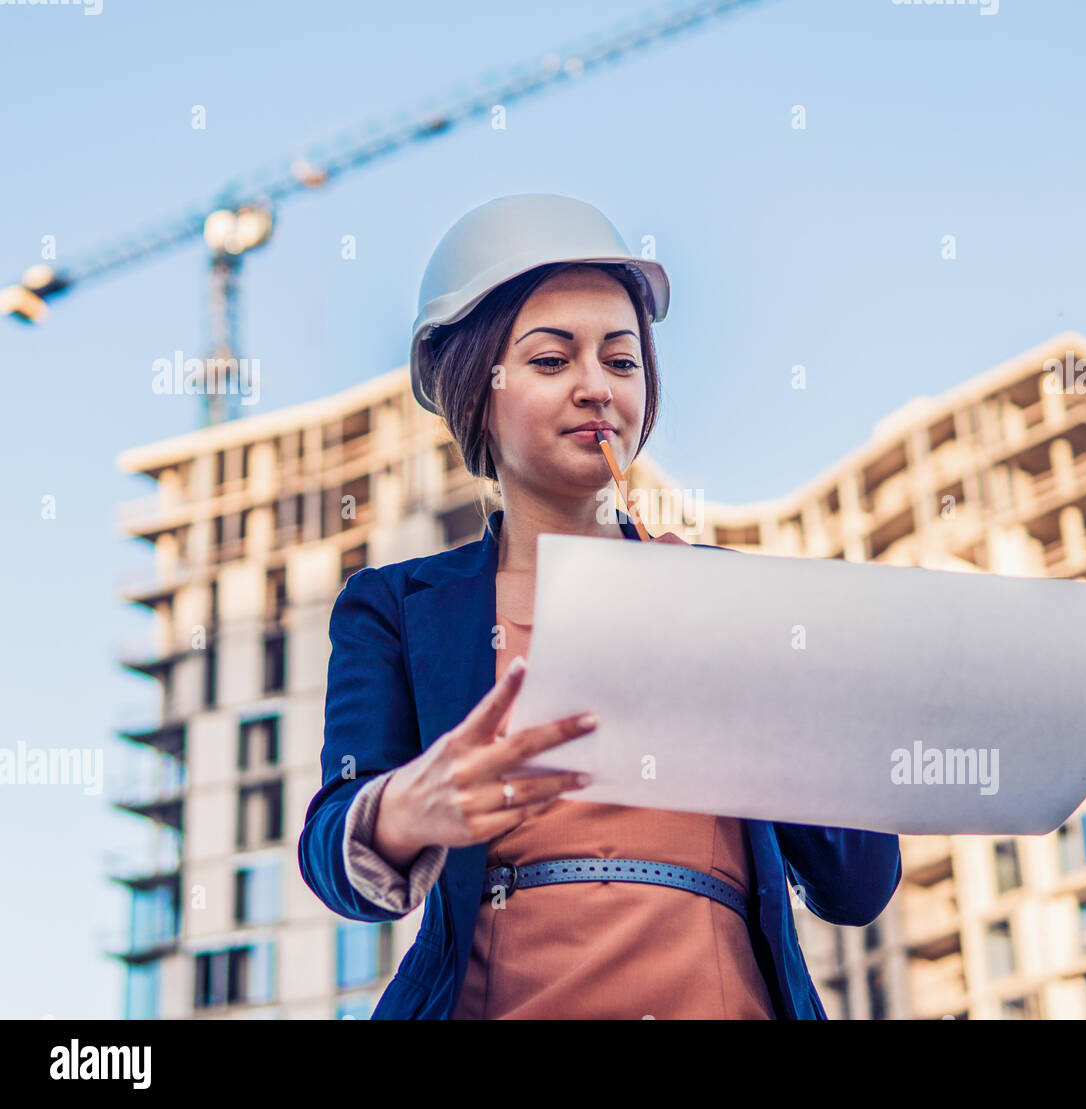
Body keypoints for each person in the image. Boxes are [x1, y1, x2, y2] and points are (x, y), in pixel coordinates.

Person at [298, 194, 902, 1019]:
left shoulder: (739, 601)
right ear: (477, 390)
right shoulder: (395, 609)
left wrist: (761, 672)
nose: (596, 388)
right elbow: (335, 847)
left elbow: (857, 885)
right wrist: (404, 808)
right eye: (552, 362)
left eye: (621, 362)